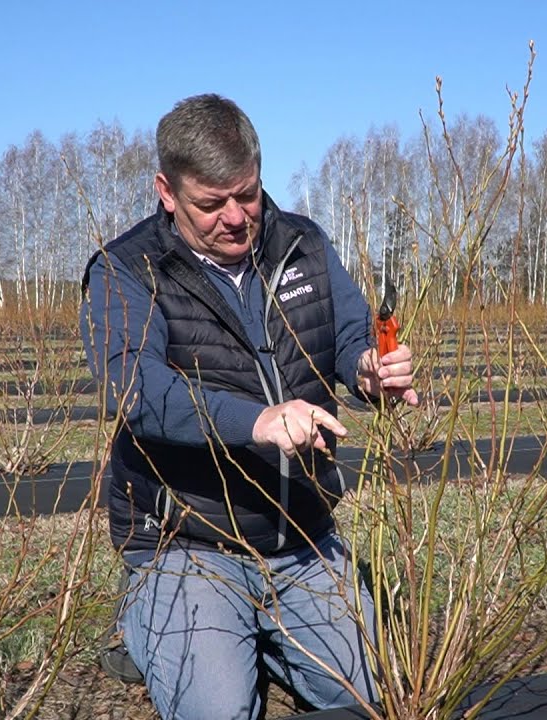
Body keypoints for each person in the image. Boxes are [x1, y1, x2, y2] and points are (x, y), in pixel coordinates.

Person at [80, 93, 419, 720]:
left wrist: (371, 370)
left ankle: (253, 636)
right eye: (211, 204)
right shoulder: (126, 271)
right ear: (166, 191)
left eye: (249, 194)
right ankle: (157, 620)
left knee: (379, 701)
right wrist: (256, 421)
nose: (236, 218)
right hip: (188, 545)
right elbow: (135, 389)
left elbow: (348, 336)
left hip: (304, 536)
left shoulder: (302, 244)